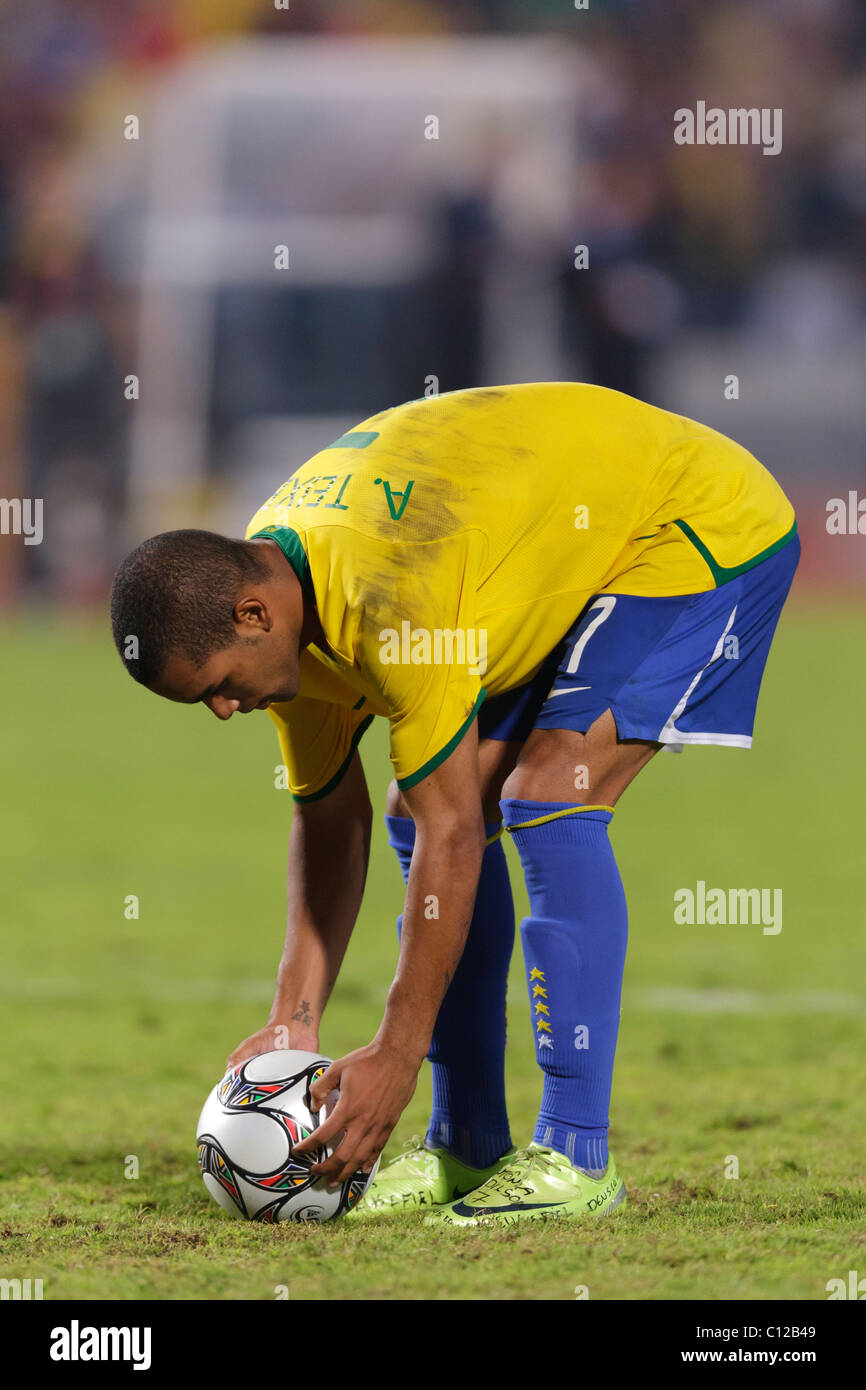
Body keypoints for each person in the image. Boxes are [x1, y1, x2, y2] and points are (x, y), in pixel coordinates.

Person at [110, 382, 798, 1226]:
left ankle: (578, 1159)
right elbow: (332, 820)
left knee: (549, 793)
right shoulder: (276, 613)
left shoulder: (384, 597)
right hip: (549, 545)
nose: (223, 713)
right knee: (410, 806)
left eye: (216, 689)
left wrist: (396, 1052)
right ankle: (466, 1146)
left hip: (691, 523)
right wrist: (294, 1017)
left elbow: (455, 831)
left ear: (253, 615)